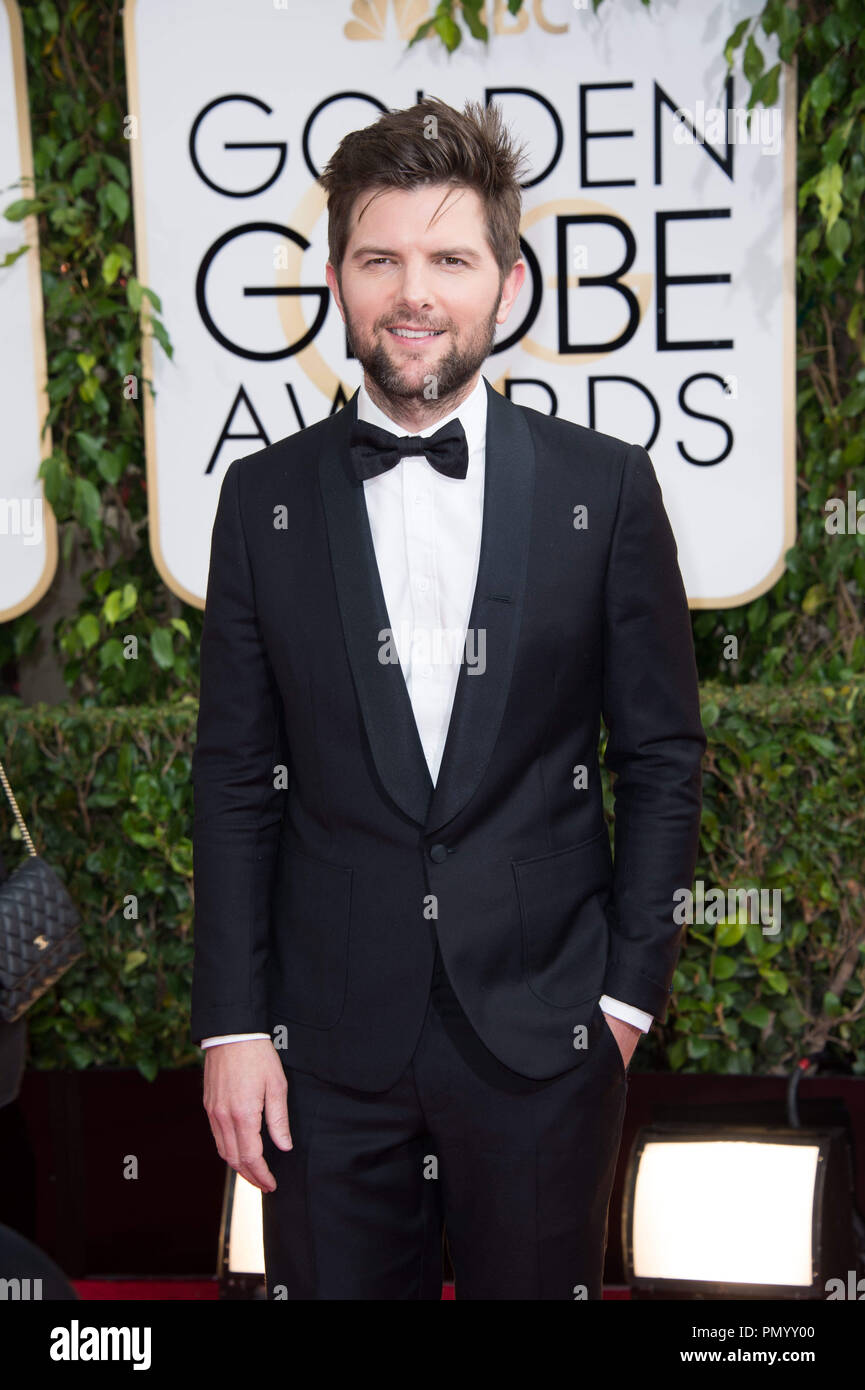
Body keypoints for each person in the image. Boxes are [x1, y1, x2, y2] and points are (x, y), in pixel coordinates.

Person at [190, 95, 706, 1300]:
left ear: (507, 284)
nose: (413, 292)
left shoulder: (606, 491)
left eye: (448, 258)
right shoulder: (262, 501)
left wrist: (625, 999)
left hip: (544, 1039)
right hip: (323, 1051)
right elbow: (232, 779)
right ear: (336, 281)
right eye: (381, 258)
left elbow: (663, 758)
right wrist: (231, 1027)